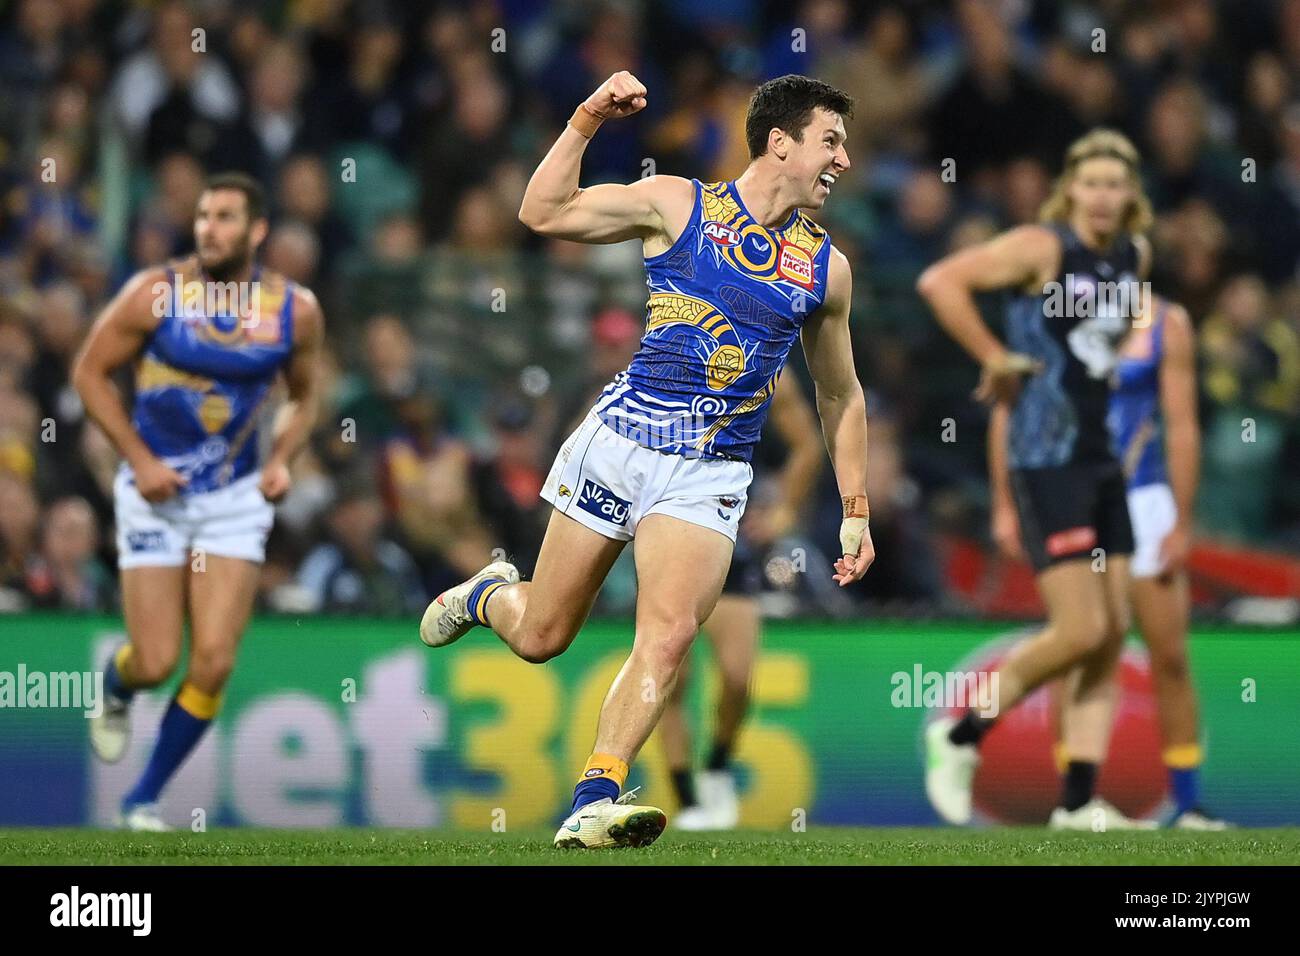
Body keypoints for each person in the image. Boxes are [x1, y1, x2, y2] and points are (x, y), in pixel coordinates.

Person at [419, 72, 875, 849]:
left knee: (667, 635)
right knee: (540, 637)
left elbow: (840, 395)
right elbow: (542, 211)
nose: (845, 159)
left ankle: (596, 791)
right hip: (621, 441)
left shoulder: (824, 269)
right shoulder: (677, 203)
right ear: (780, 142)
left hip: (710, 472)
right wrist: (586, 115)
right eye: (831, 141)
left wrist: (856, 510)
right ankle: (494, 593)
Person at [917, 129, 1154, 828]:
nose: (1105, 196)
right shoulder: (1042, 247)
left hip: (1103, 459)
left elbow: (1109, 362)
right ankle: (960, 734)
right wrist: (994, 354)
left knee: (1110, 632)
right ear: (1071, 189)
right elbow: (941, 281)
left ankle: (1077, 802)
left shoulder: (1133, 259)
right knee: (1080, 628)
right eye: (1093, 182)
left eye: (1118, 183)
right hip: (1046, 458)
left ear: (1131, 193)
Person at [73, 172, 324, 831]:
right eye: (204, 216)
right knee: (155, 661)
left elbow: (304, 393)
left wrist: (281, 458)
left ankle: (142, 797)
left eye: (225, 217)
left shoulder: (295, 310)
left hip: (235, 496)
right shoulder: (156, 294)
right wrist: (139, 459)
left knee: (213, 658)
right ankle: (118, 685)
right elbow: (89, 373)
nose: (208, 227)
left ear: (257, 230)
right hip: (155, 491)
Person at [990, 292, 1227, 829]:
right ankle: (1073, 802)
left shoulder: (1169, 320)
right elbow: (1013, 408)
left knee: (1169, 655)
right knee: (1080, 644)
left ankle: (1187, 806)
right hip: (1076, 497)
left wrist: (1182, 521)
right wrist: (1007, 503)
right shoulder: (1054, 308)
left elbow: (1182, 423)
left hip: (1144, 499)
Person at [660, 372, 823, 830]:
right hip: (667, 528)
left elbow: (808, 444)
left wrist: (784, 511)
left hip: (731, 533)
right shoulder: (668, 354)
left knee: (736, 678)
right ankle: (687, 800)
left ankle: (716, 764)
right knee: (668, 677)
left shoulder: (768, 367)